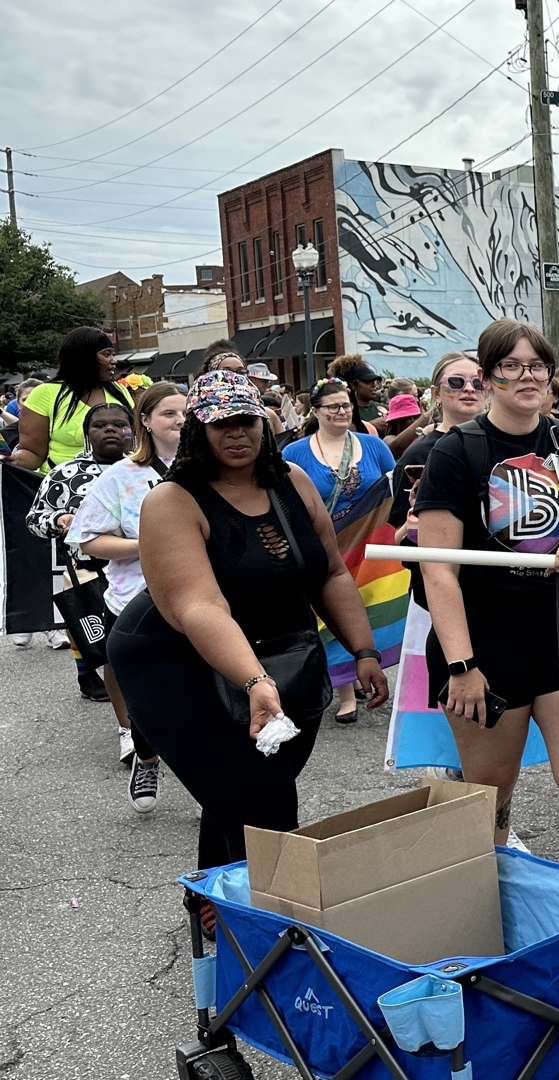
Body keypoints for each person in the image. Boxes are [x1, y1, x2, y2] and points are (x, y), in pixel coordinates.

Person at [105, 371, 389, 877]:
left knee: (247, 798)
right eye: (221, 425)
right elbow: (200, 607)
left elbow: (329, 572)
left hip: (280, 647)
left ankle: (214, 913)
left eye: (246, 422)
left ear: (265, 423)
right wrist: (255, 679)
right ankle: (277, 934)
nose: (236, 434)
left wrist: (363, 650)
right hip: (172, 659)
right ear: (198, 430)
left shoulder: (291, 483)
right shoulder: (171, 501)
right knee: (264, 805)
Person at [413, 319, 559, 846]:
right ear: (488, 375)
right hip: (486, 644)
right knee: (490, 791)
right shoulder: (455, 451)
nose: (527, 376)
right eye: (511, 366)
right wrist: (461, 665)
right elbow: (438, 569)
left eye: (537, 366)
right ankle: (485, 900)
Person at [70, 381, 186, 792]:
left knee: (204, 699)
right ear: (146, 421)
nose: (180, 420)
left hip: (200, 602)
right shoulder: (122, 476)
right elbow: (89, 540)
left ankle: (210, 785)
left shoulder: (211, 470)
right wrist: (146, 544)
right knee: (148, 702)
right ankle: (147, 755)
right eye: (169, 413)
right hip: (135, 603)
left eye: (186, 412)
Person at [283, 379, 397, 723]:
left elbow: (392, 490)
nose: (342, 412)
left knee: (369, 609)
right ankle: (344, 691)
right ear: (314, 411)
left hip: (369, 546)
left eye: (346, 405)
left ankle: (367, 672)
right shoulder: (295, 452)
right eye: (332, 406)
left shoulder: (372, 446)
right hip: (324, 548)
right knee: (330, 616)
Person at [28, 401, 134, 702]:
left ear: (133, 430)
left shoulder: (146, 469)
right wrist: (58, 519)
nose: (110, 430)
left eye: (118, 424)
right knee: (89, 630)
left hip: (137, 566)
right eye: (100, 425)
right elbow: (34, 519)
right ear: (88, 432)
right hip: (84, 567)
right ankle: (87, 674)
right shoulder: (65, 474)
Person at [389, 353, 490, 607]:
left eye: (477, 383)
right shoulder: (418, 455)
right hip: (438, 595)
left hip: (502, 588)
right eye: (456, 382)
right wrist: (418, 512)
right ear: (436, 393)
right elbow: (400, 541)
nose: (469, 389)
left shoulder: (504, 445)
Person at [8, 326, 136, 472]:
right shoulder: (45, 394)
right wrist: (13, 459)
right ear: (84, 357)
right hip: (62, 488)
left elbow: (133, 438)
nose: (113, 361)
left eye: (113, 355)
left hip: (118, 484)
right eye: (106, 354)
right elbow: (33, 454)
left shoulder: (120, 392)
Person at [330, 355, 387, 435]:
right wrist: (370, 425)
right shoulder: (342, 411)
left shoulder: (385, 408)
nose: (374, 385)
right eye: (367, 382)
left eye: (374, 381)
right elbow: (335, 431)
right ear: (352, 385)